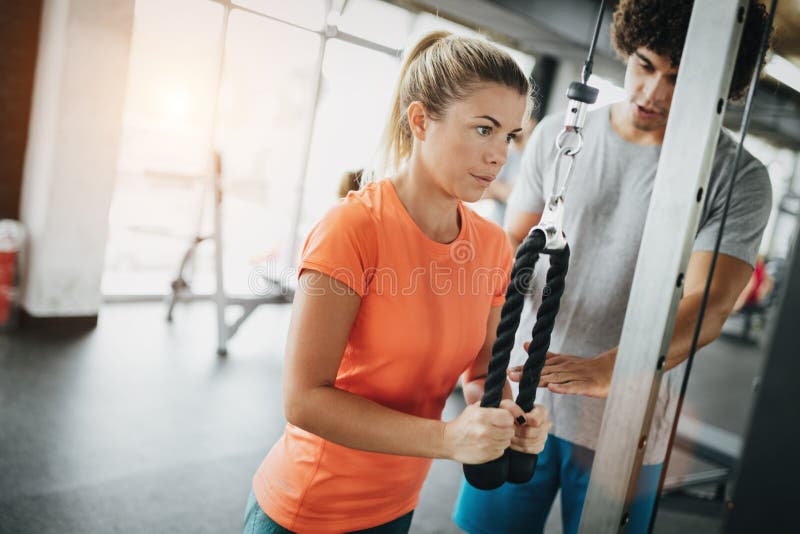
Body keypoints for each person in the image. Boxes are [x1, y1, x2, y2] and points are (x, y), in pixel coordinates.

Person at [452, 1, 773, 533]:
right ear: (626, 49)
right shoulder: (561, 132)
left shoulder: (738, 177)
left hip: (626, 424)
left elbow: (710, 304)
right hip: (520, 396)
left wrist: (618, 367)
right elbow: (514, 244)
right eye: (646, 66)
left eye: (679, 77)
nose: (654, 92)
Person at [243, 31, 552, 534]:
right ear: (420, 120)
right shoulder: (352, 228)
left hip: (395, 507)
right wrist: (449, 439)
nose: (500, 156)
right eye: (483, 129)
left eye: (510, 136)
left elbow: (480, 377)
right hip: (308, 509)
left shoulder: (493, 246)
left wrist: (508, 421)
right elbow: (304, 399)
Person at [482, 113, 538, 226]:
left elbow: (528, 199)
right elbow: (485, 189)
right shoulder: (508, 153)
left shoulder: (534, 158)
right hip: (496, 221)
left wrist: (499, 189)